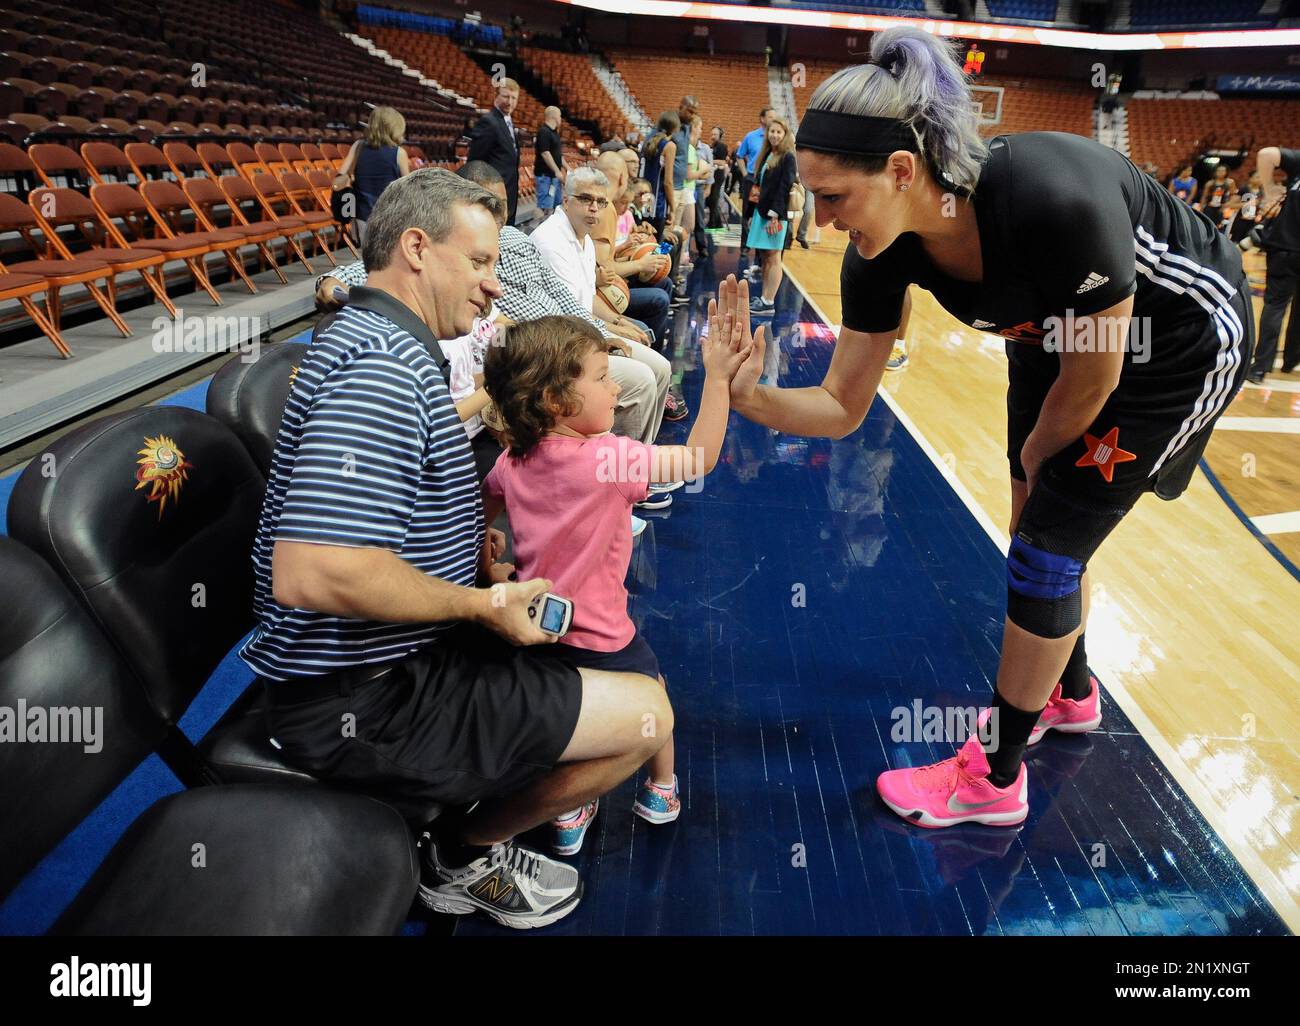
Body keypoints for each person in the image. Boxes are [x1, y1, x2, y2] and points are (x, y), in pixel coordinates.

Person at [721, 27, 1253, 828]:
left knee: (1045, 545)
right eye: (814, 197)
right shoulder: (883, 249)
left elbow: (1100, 370)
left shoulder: (1052, 198)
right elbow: (841, 405)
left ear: (903, 170)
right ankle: (1068, 696)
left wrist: (1040, 449)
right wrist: (750, 396)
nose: (821, 220)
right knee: (1029, 523)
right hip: (1053, 337)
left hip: (1177, 340)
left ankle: (996, 781)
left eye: (835, 198)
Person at [241, 168, 672, 929]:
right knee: (647, 719)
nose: (493, 287)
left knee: (586, 660)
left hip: (393, 660)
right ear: (415, 247)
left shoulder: (387, 343)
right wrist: (480, 602)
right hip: (365, 695)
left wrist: (475, 551)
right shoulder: (378, 367)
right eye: (479, 263)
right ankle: (456, 855)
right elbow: (312, 571)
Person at [481, 309, 753, 853]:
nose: (615, 390)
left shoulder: (515, 457)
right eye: (603, 379)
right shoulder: (608, 458)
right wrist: (718, 381)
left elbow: (487, 497)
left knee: (570, 719)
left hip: (538, 633)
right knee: (655, 701)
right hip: (606, 635)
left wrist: (491, 555)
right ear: (558, 402)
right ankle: (660, 790)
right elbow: (698, 458)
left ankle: (569, 807)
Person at [1247, 146, 1300, 381]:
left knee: (1275, 306)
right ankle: (1290, 362)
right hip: (1285, 248)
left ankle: (1260, 368)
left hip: (1285, 248)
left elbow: (1266, 154)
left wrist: (1269, 189)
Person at [333, 105, 411, 245]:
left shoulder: (358, 146)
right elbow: (407, 189)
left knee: (366, 258)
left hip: (362, 215)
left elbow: (339, 177)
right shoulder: (399, 153)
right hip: (389, 217)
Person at [746, 114, 797, 317]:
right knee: (766, 257)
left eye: (778, 132)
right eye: (772, 131)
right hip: (763, 212)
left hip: (775, 214)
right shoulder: (768, 153)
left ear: (785, 134)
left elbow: (785, 186)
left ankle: (769, 301)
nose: (774, 135)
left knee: (775, 257)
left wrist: (775, 213)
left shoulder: (788, 156)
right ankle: (765, 297)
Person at [469, 78, 522, 225]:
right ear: (496, 96)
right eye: (506, 96)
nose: (510, 102)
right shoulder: (489, 122)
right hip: (492, 194)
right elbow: (475, 162)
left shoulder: (509, 121)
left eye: (514, 98)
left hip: (509, 191)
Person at [736, 107, 773, 274]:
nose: (773, 119)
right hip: (752, 179)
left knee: (761, 216)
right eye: (770, 116)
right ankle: (745, 246)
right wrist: (745, 175)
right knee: (748, 214)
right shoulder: (750, 137)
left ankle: (759, 251)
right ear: (762, 119)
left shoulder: (775, 139)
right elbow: (739, 155)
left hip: (767, 182)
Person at [534, 105, 568, 215]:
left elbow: (557, 154)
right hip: (546, 176)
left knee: (556, 205)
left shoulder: (555, 133)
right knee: (545, 206)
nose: (560, 119)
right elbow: (545, 153)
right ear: (554, 116)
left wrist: (567, 167)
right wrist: (557, 171)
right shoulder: (544, 132)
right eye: (559, 116)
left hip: (554, 178)